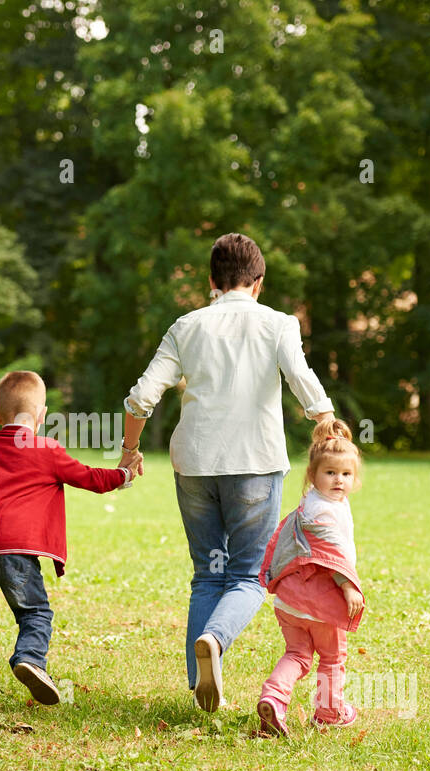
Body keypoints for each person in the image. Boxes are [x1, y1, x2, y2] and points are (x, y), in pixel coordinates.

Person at [118, 233, 335, 713]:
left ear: (211, 280)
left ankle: (200, 683)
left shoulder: (186, 325)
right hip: (256, 464)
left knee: (208, 573)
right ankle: (214, 641)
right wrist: (325, 419)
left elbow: (141, 397)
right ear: (258, 282)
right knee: (250, 576)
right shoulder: (279, 324)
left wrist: (130, 450)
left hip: (195, 465)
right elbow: (302, 380)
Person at [0, 371, 134, 713]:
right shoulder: (46, 449)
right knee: (35, 612)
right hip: (17, 554)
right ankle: (29, 659)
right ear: (41, 416)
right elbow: (90, 479)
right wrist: (124, 473)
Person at [256, 419, 365, 736]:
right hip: (319, 602)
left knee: (297, 655)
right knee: (332, 656)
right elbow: (328, 552)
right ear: (312, 475)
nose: (338, 480)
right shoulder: (324, 512)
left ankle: (273, 700)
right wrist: (347, 586)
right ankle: (330, 712)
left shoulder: (314, 503)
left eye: (346, 474)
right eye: (330, 473)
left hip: (290, 602)